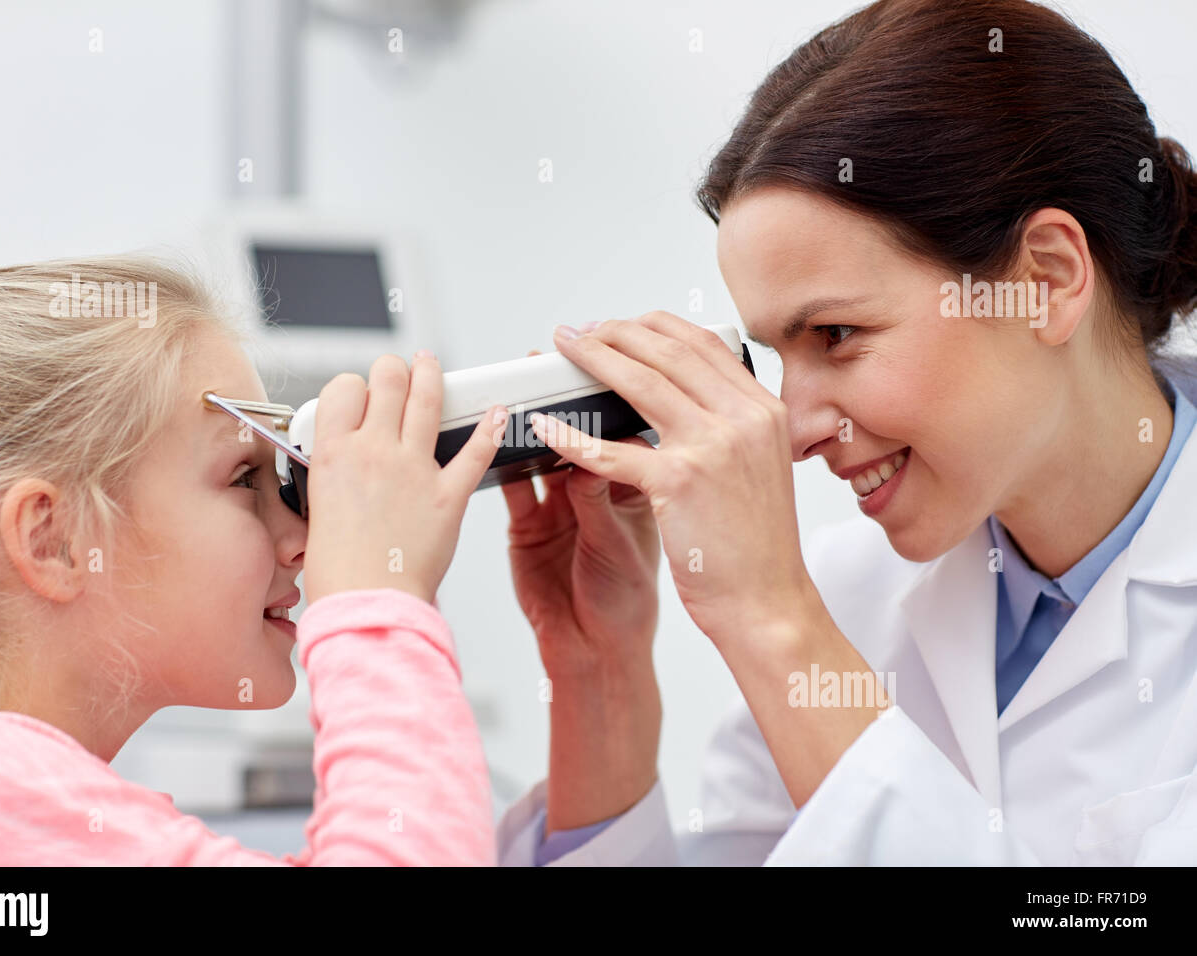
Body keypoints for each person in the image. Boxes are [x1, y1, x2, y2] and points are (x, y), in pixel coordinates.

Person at [495, 0, 1197, 865]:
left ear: (1046, 279)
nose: (791, 432)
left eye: (835, 335)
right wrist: (600, 672)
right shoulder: (850, 594)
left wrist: (773, 621)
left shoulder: (801, 614)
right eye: (778, 354)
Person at [0, 255, 507, 865]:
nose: (305, 538)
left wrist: (594, 682)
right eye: (245, 477)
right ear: (51, 541)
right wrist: (378, 604)